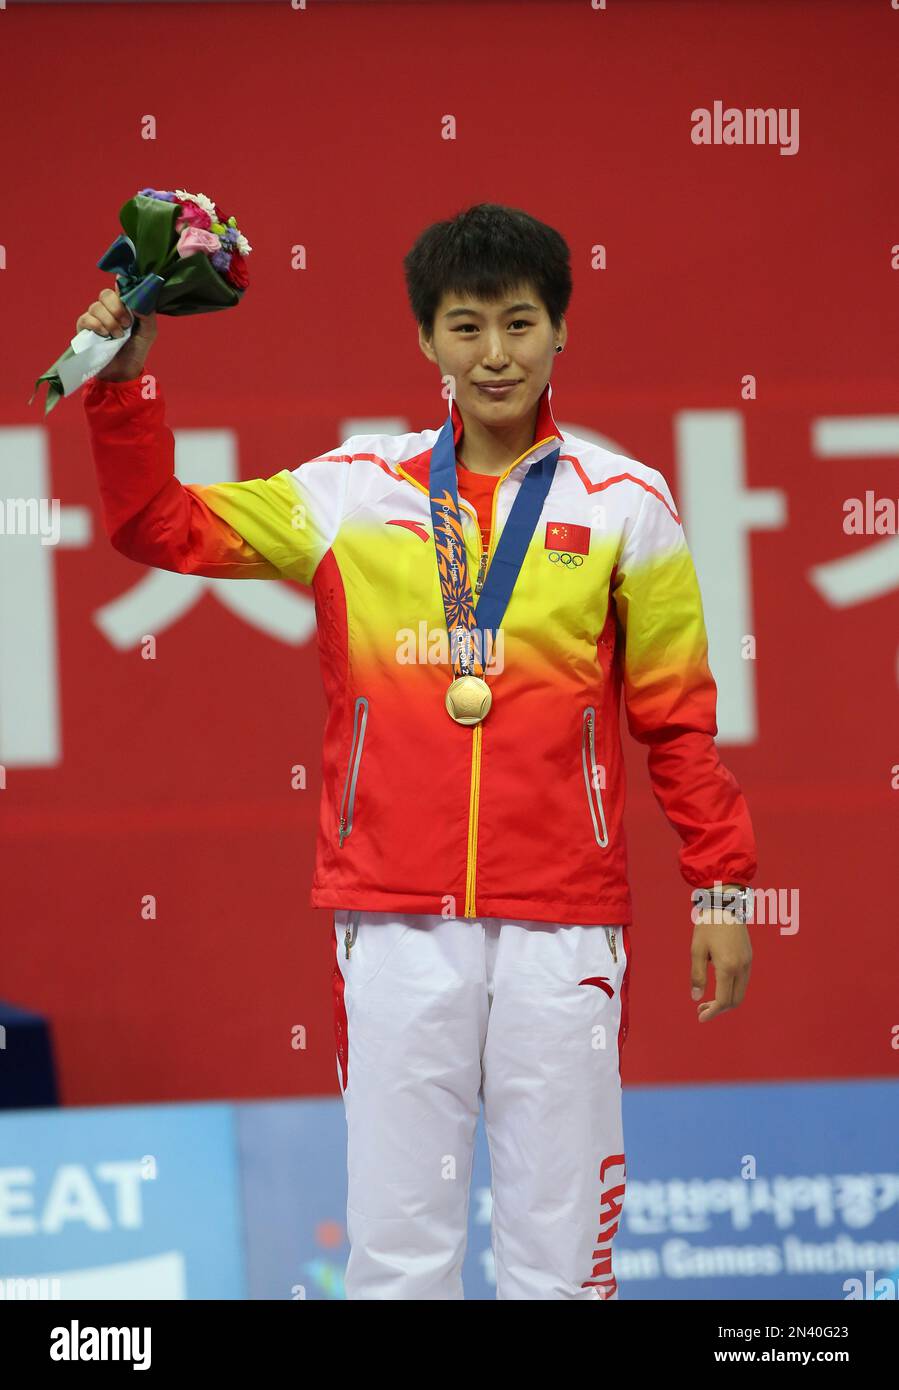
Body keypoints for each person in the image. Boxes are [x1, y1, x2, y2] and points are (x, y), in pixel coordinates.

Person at [79, 202, 756, 1301]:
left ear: (560, 333)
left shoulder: (628, 507)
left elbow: (675, 717)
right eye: (465, 326)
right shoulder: (352, 492)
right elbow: (156, 522)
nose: (495, 355)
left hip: (564, 926)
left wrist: (720, 890)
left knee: (559, 1265)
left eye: (520, 324)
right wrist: (124, 379)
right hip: (393, 925)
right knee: (399, 1262)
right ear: (425, 341)